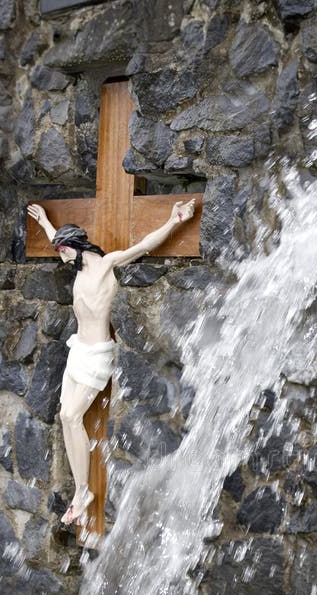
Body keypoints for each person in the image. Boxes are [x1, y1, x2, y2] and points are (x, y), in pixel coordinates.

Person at [26, 199, 196, 525]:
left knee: (72, 415)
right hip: (77, 350)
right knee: (66, 416)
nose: (61, 256)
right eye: (60, 252)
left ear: (77, 246)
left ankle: (82, 492)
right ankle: (81, 492)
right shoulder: (75, 266)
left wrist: (175, 219)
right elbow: (54, 240)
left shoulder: (107, 265)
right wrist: (46, 221)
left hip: (97, 355)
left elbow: (145, 245)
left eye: (64, 251)